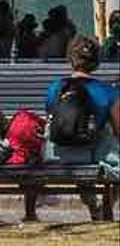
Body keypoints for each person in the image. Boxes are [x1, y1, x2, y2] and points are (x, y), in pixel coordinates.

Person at [43, 38, 117, 169]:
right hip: (95, 157)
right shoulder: (108, 91)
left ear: (71, 59)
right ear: (96, 62)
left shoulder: (55, 88)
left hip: (59, 155)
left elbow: (51, 117)